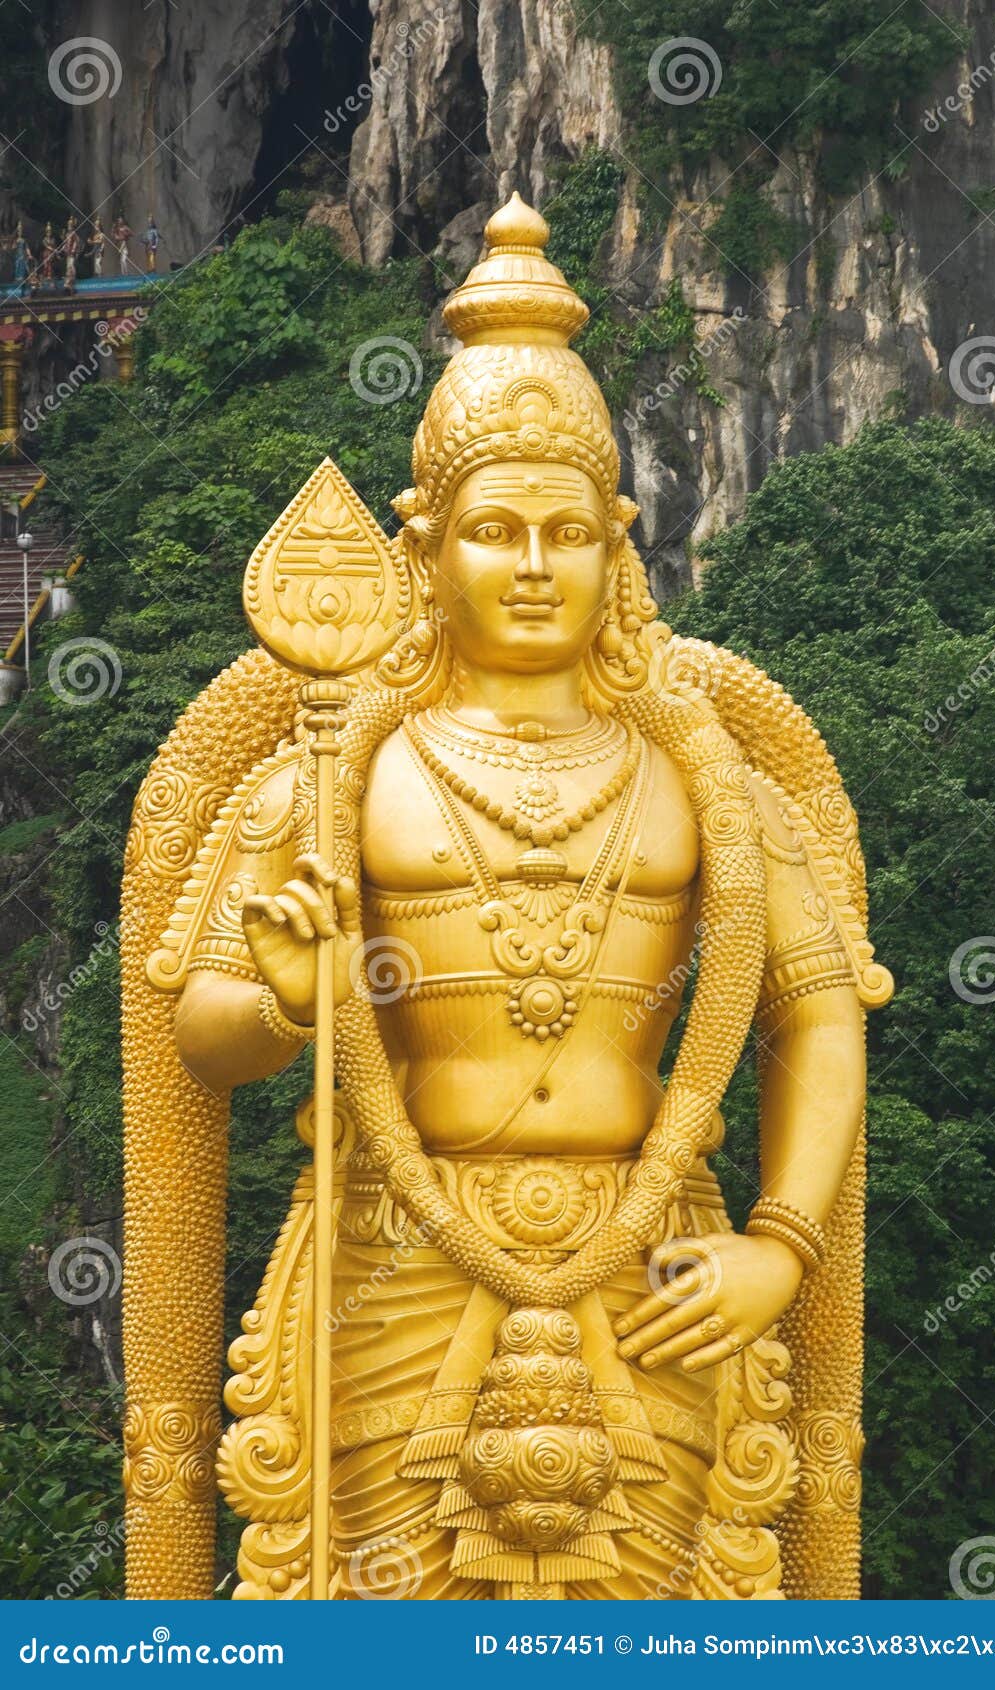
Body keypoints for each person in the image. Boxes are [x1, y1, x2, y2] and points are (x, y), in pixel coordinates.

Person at [121, 195, 892, 1603]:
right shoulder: (331, 768)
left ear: (617, 541)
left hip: (654, 1261)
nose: (533, 568)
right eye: (495, 532)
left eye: (565, 532)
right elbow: (199, 1033)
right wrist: (287, 998)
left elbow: (816, 1008)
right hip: (390, 1264)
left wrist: (778, 1244)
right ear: (425, 544)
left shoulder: (702, 765)